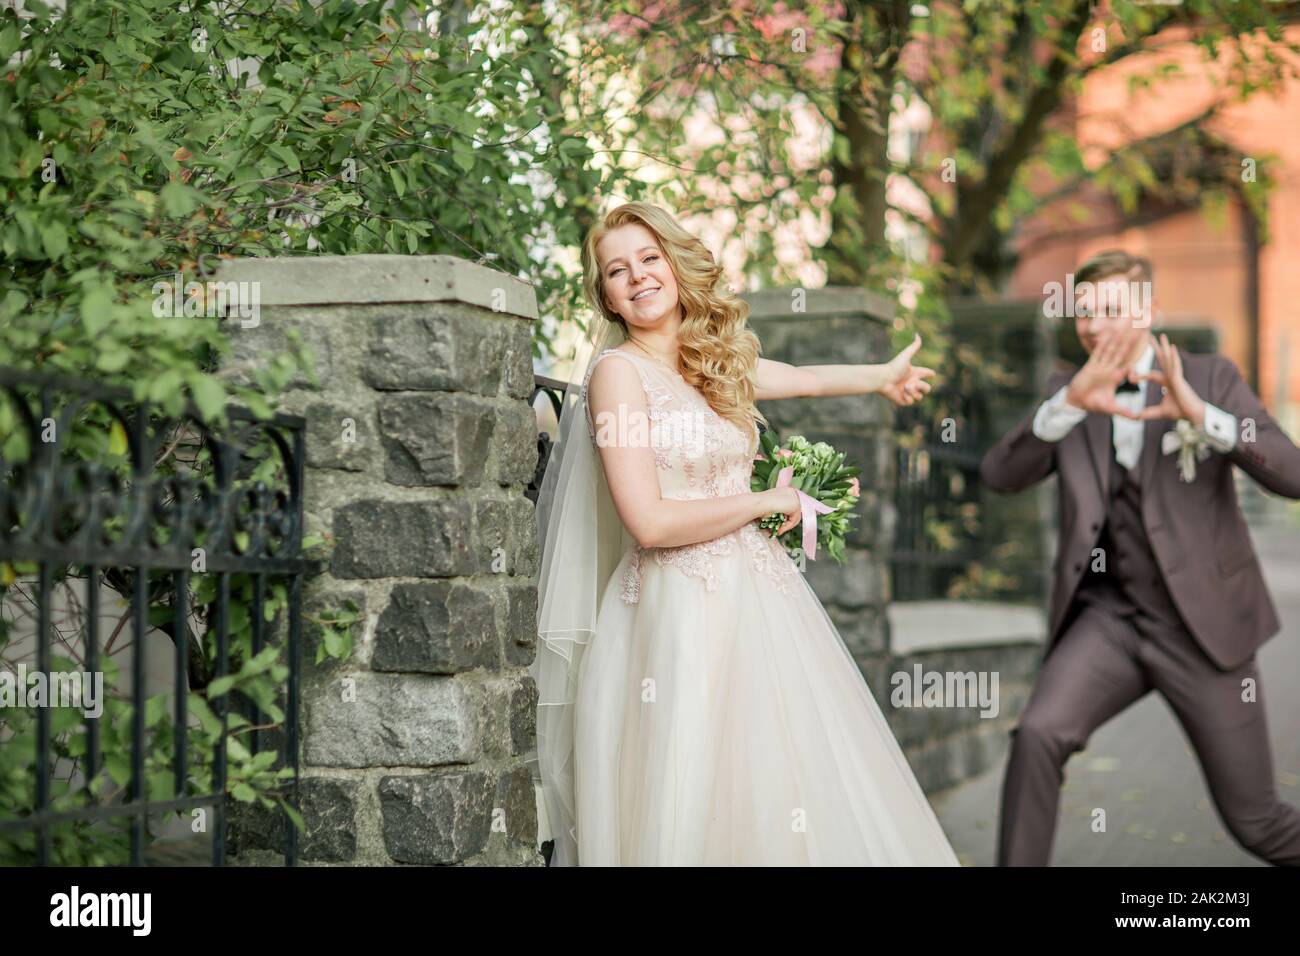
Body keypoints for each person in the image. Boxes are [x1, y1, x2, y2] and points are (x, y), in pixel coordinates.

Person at [528, 201, 959, 866]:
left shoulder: (707, 361)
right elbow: (648, 522)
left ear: (674, 264)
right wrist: (764, 499)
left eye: (649, 258)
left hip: (757, 607)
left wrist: (881, 378)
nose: (638, 276)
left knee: (780, 785)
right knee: (689, 791)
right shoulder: (618, 376)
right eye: (618, 270)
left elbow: (805, 379)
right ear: (607, 296)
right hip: (672, 617)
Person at [981, 249, 1300, 866]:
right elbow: (999, 474)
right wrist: (1068, 405)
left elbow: (1292, 474)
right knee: (1039, 734)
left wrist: (1206, 418)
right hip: (1110, 620)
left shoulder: (1211, 378)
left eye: (1110, 310)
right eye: (1084, 312)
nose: (1094, 325)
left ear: (1149, 311)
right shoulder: (1065, 391)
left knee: (1256, 821)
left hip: (1203, 631)